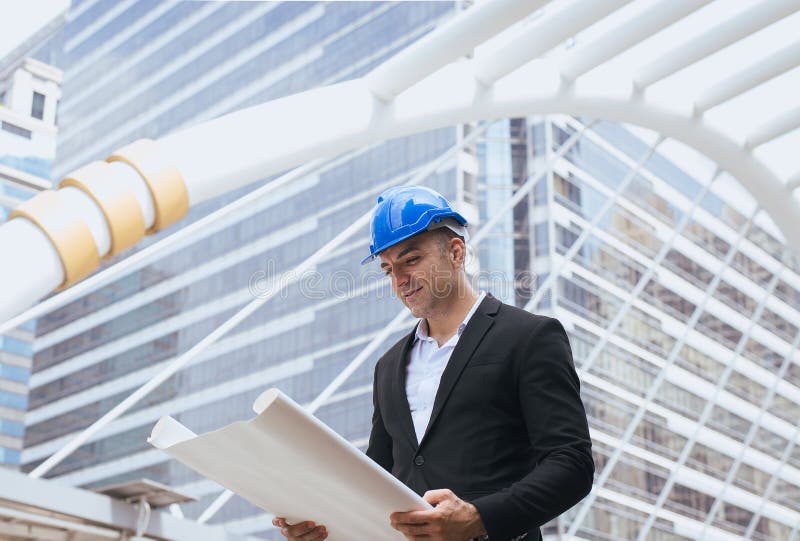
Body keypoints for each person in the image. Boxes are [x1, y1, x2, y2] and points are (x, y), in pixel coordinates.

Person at [275, 186, 594, 541]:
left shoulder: (529, 337)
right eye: (388, 270)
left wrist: (479, 518)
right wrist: (325, 524)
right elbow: (378, 480)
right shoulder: (388, 366)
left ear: (456, 253)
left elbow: (572, 465)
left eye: (411, 260)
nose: (399, 281)